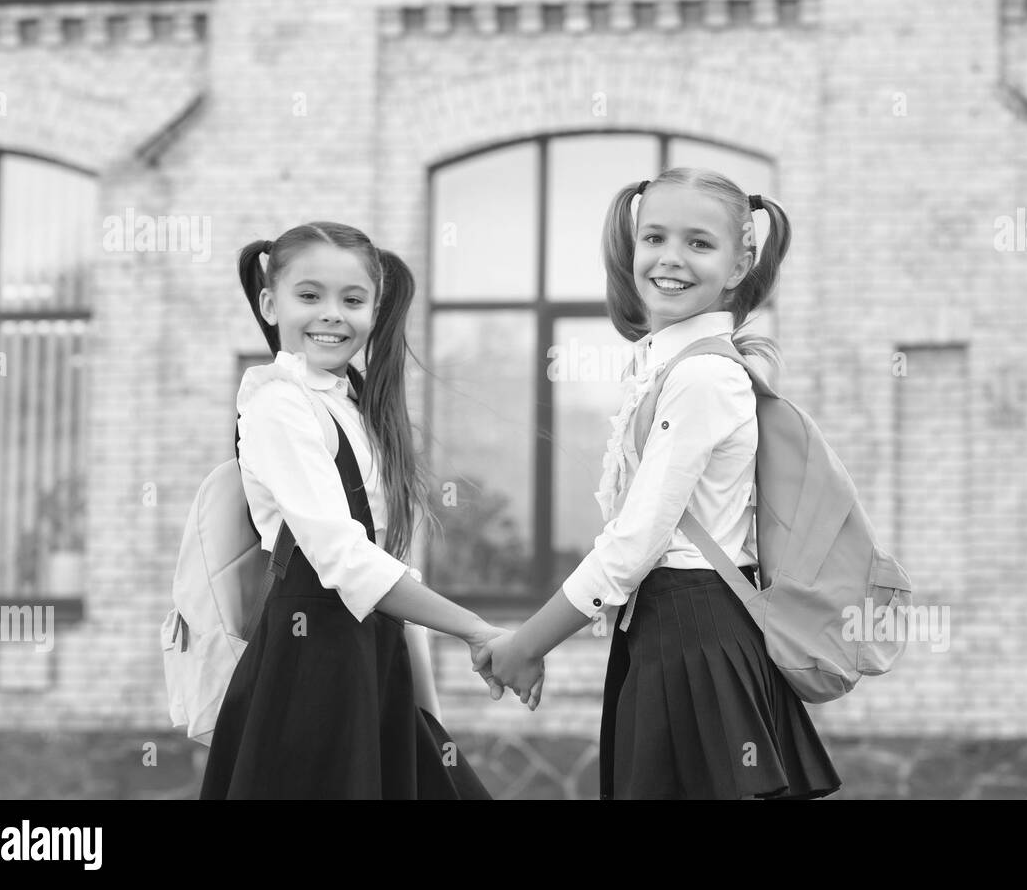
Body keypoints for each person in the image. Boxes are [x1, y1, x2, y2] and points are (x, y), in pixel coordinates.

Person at [475, 170, 842, 800]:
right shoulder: (670, 367)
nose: (670, 259)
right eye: (654, 238)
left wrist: (528, 643)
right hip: (667, 632)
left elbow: (634, 542)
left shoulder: (703, 378)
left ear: (738, 265)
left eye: (699, 244)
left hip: (694, 636)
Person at [200, 221, 538, 799]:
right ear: (268, 301)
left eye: (352, 300)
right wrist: (477, 630)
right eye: (309, 296)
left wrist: (419, 683)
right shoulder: (279, 405)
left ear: (375, 311)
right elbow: (346, 560)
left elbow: (382, 564)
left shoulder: (353, 405)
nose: (332, 313)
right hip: (310, 669)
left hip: (368, 660)